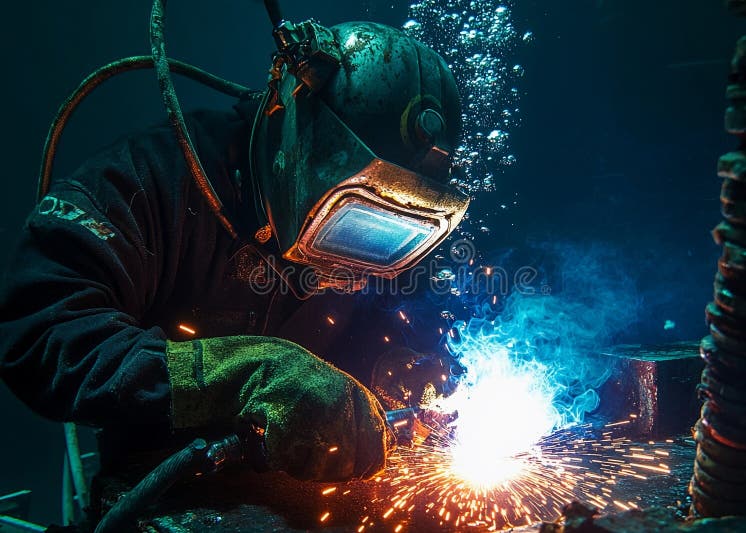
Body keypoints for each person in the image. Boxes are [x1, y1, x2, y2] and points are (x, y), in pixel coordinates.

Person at [0, 18, 466, 483]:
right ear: (296, 142)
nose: (351, 267)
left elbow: (385, 326)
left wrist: (395, 367)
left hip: (298, 491)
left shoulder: (383, 251)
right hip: (164, 486)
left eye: (393, 234)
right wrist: (233, 377)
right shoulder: (151, 180)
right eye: (352, 220)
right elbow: (38, 329)